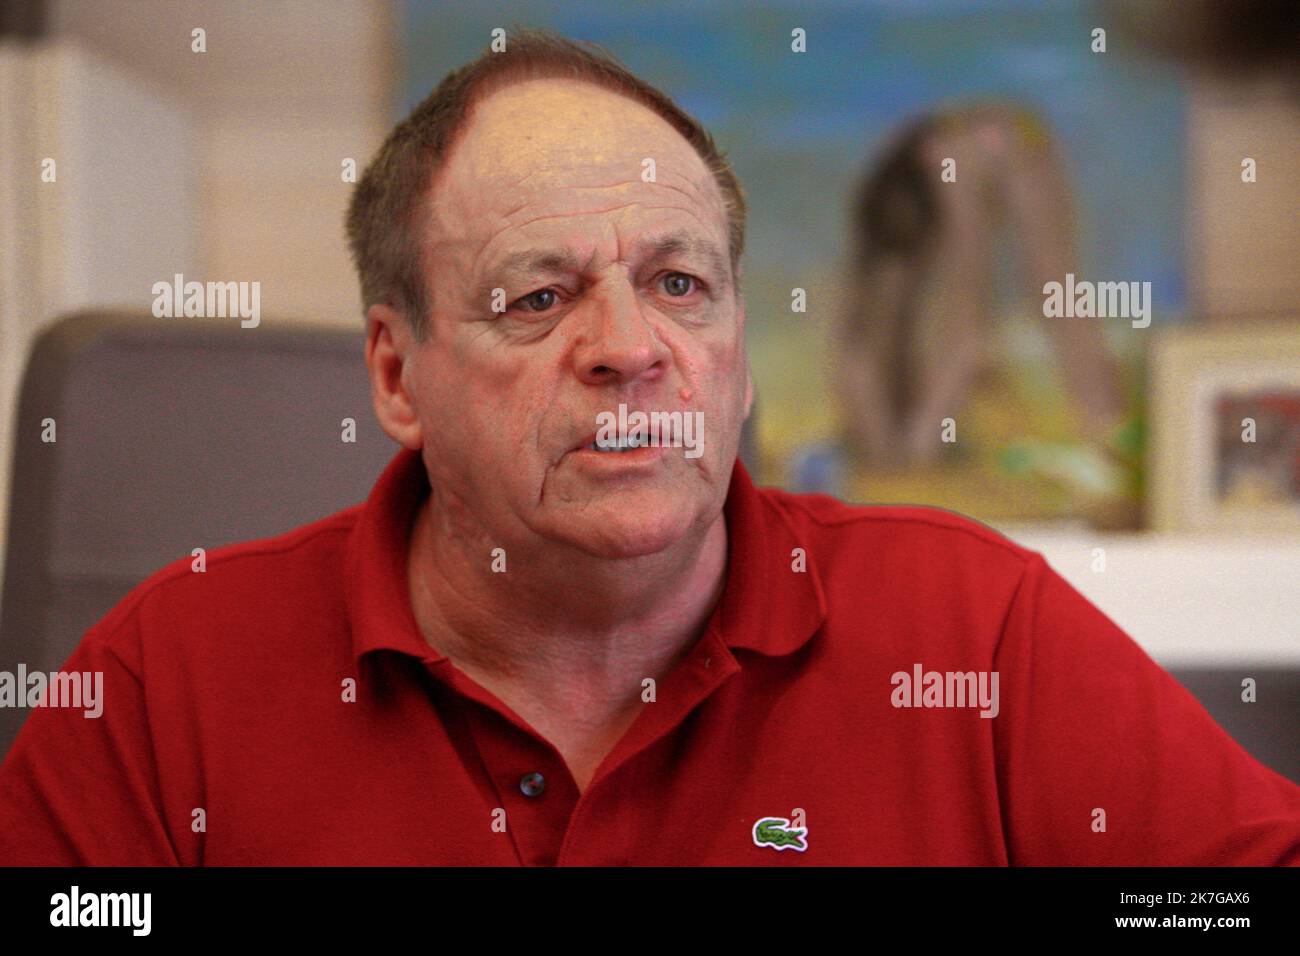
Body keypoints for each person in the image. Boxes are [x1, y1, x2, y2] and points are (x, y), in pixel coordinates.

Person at [1, 29, 1297, 866]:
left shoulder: (975, 630)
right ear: (398, 375)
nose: (630, 347)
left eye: (680, 283)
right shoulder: (168, 682)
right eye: (539, 295)